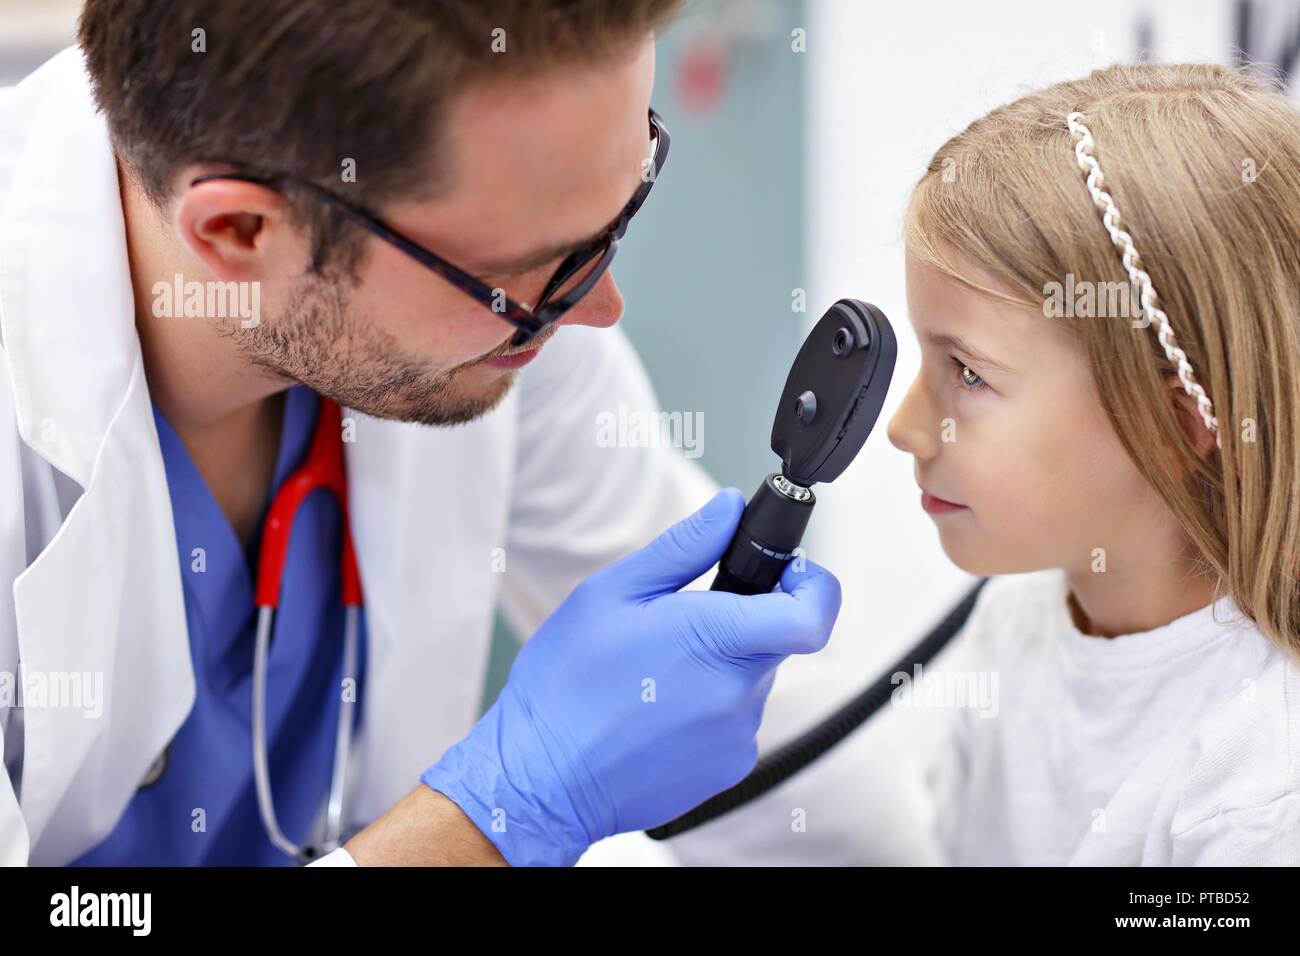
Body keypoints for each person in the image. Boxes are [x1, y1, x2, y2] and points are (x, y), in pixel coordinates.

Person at [0, 0, 842, 867]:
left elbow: (787, 743)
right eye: (526, 273)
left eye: (616, 219)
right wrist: (502, 815)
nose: (598, 308)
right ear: (240, 231)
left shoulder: (503, 327)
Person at [888, 61, 1300, 864]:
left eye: (967, 373)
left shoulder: (1261, 792)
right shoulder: (1018, 627)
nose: (905, 427)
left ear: (1173, 427)